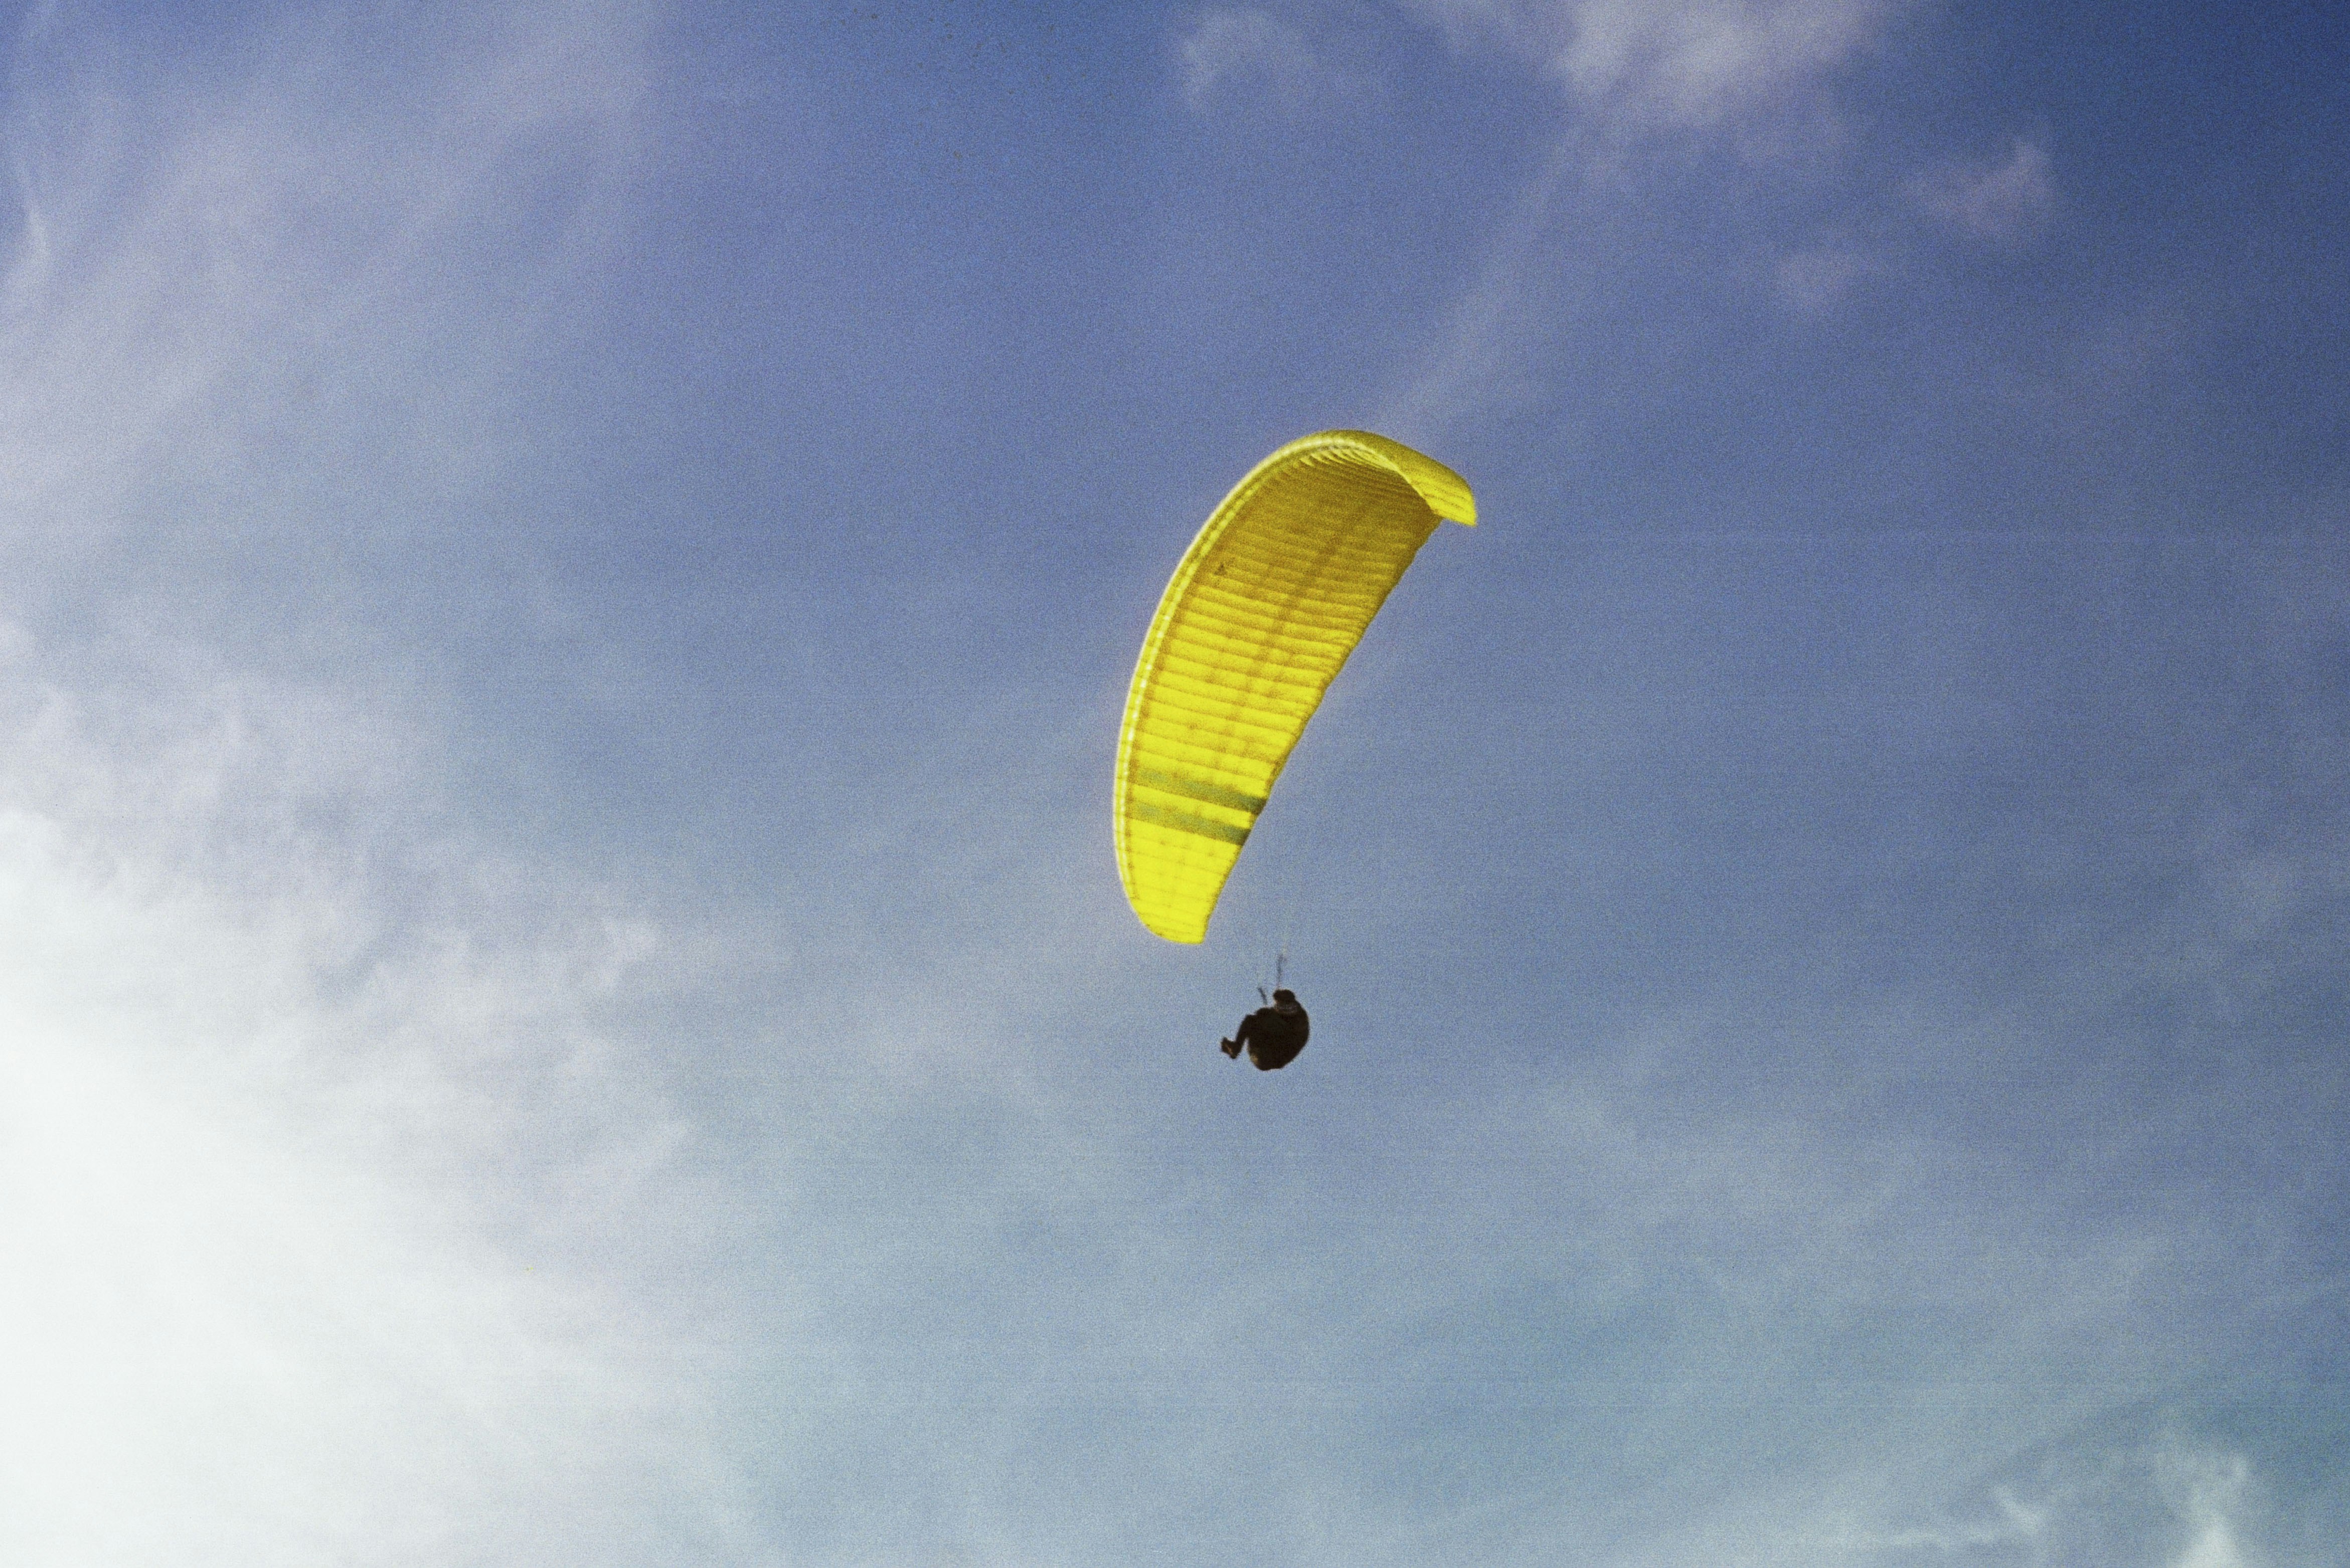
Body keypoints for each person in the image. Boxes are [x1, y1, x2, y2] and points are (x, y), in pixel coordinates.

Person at [1221, 989, 1310, 1072]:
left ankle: (1236, 1048)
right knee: (1254, 1019)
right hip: (1263, 1051)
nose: (1278, 1007)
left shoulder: (1299, 1021)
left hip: (1270, 1056)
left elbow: (1285, 1018)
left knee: (1253, 1020)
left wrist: (1265, 1015)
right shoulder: (1286, 1016)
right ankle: (1236, 1048)